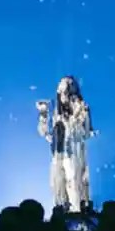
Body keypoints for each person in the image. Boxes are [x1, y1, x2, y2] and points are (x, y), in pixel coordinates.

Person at [36, 75, 94, 212]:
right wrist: (43, 115)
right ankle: (64, 209)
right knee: (58, 182)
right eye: (61, 91)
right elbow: (44, 132)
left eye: (66, 91)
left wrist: (79, 116)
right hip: (59, 153)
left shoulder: (81, 109)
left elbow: (85, 132)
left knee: (74, 181)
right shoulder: (55, 112)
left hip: (74, 152)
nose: (63, 95)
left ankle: (78, 210)